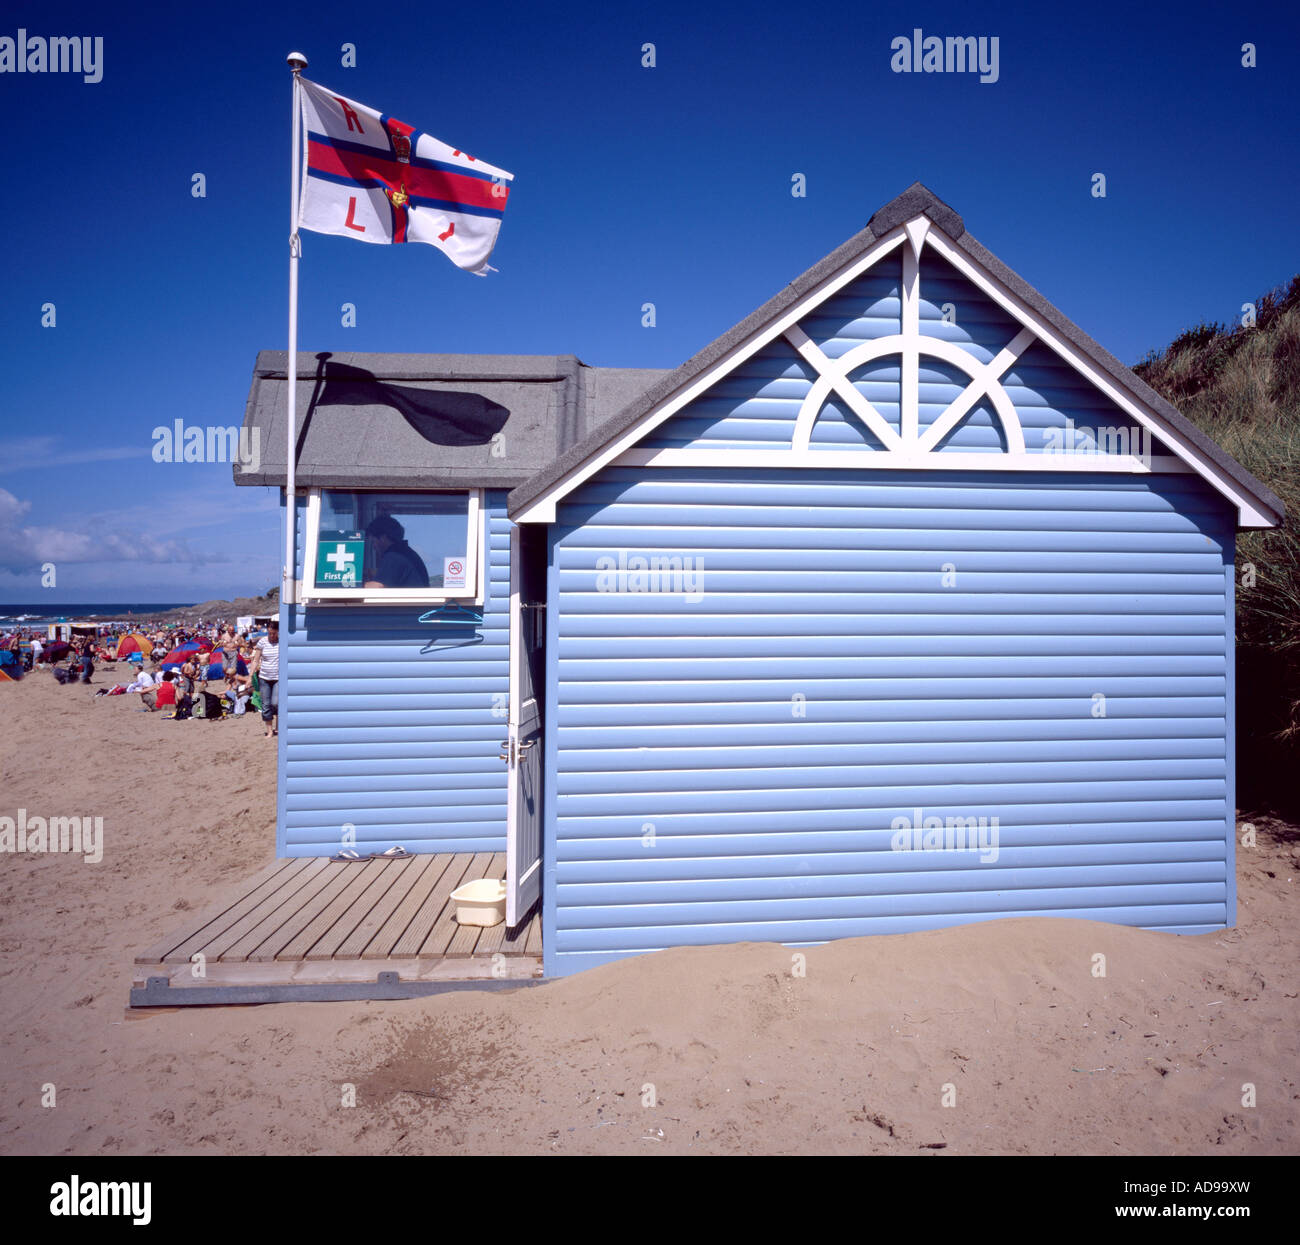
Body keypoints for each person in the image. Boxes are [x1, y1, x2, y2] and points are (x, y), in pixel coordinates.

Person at [363, 515, 430, 588]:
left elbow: (377, 587)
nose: (373, 547)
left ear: (383, 538)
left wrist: (358, 585)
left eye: (373, 541)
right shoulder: (405, 554)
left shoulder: (393, 557)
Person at [251, 619, 280, 738]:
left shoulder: (282, 642)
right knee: (266, 705)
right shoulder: (262, 642)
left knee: (276, 703)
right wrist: (250, 677)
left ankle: (278, 727)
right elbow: (255, 660)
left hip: (278, 678)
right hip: (264, 677)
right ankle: (269, 731)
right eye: (269, 633)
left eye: (274, 633)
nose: (271, 635)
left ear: (278, 632)